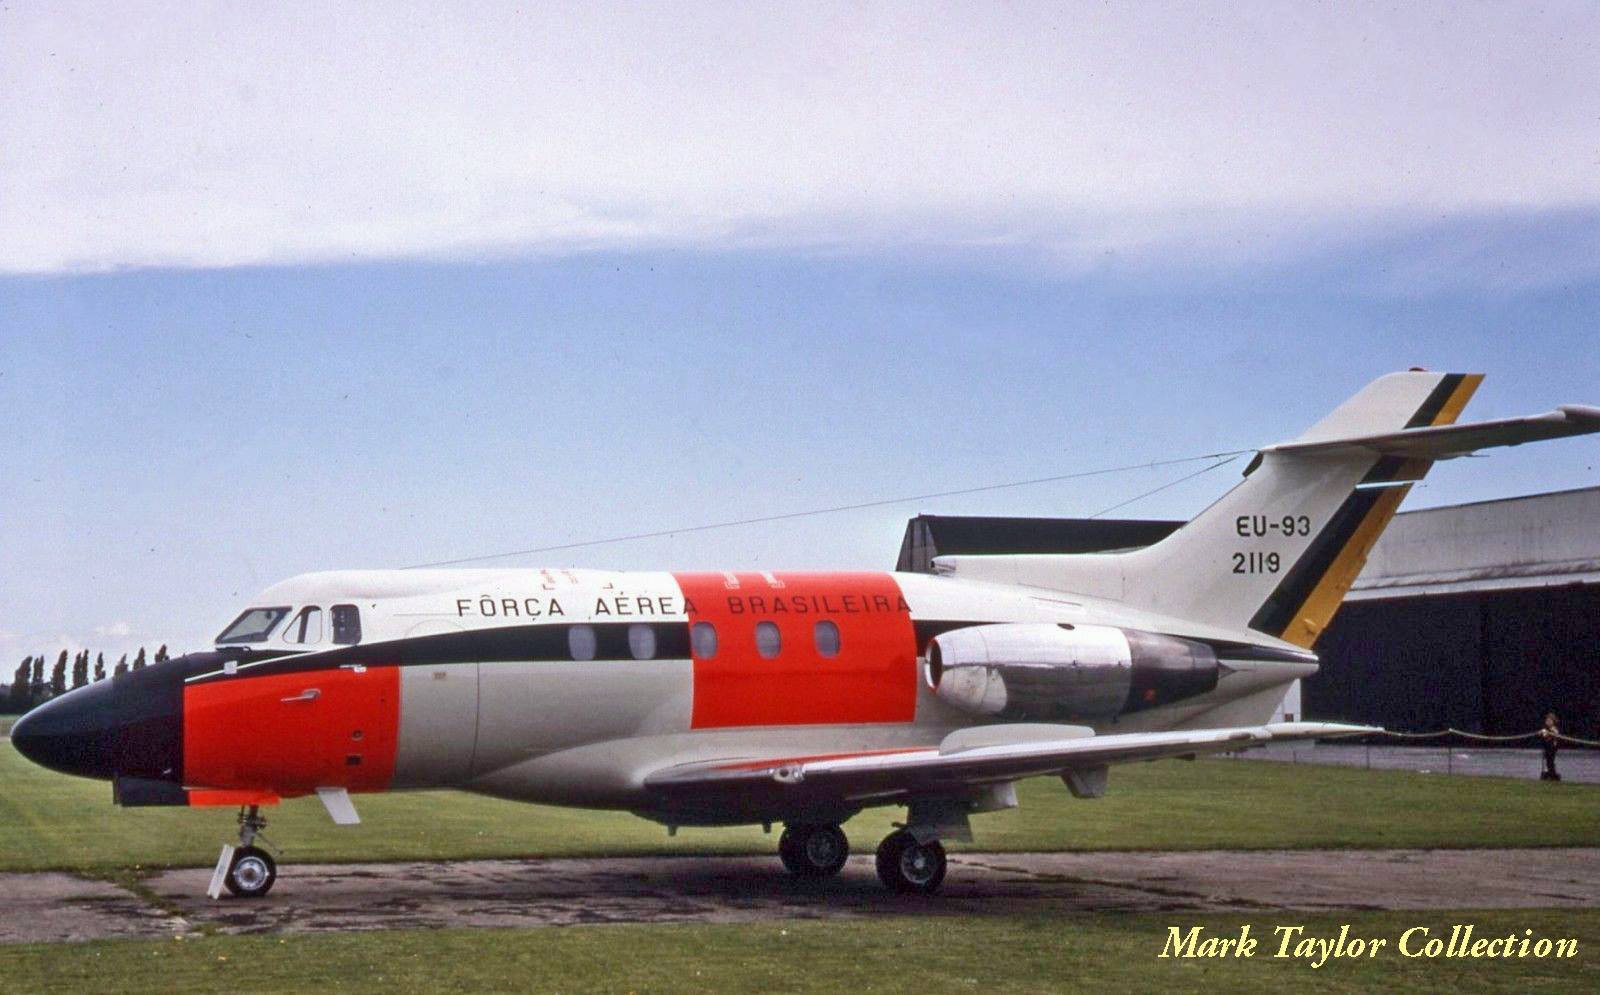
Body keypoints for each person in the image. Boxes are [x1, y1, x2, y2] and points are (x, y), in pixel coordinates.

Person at [1538, 712, 1561, 782]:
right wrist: (1541, 732)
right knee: (1547, 761)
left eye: (1549, 721)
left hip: (1552, 748)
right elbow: (1543, 736)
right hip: (1546, 747)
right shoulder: (1545, 729)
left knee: (1550, 761)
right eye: (1547, 720)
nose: (1547, 722)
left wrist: (1547, 732)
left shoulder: (1554, 729)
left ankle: (1553, 775)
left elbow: (1556, 735)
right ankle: (1549, 774)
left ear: (1553, 722)